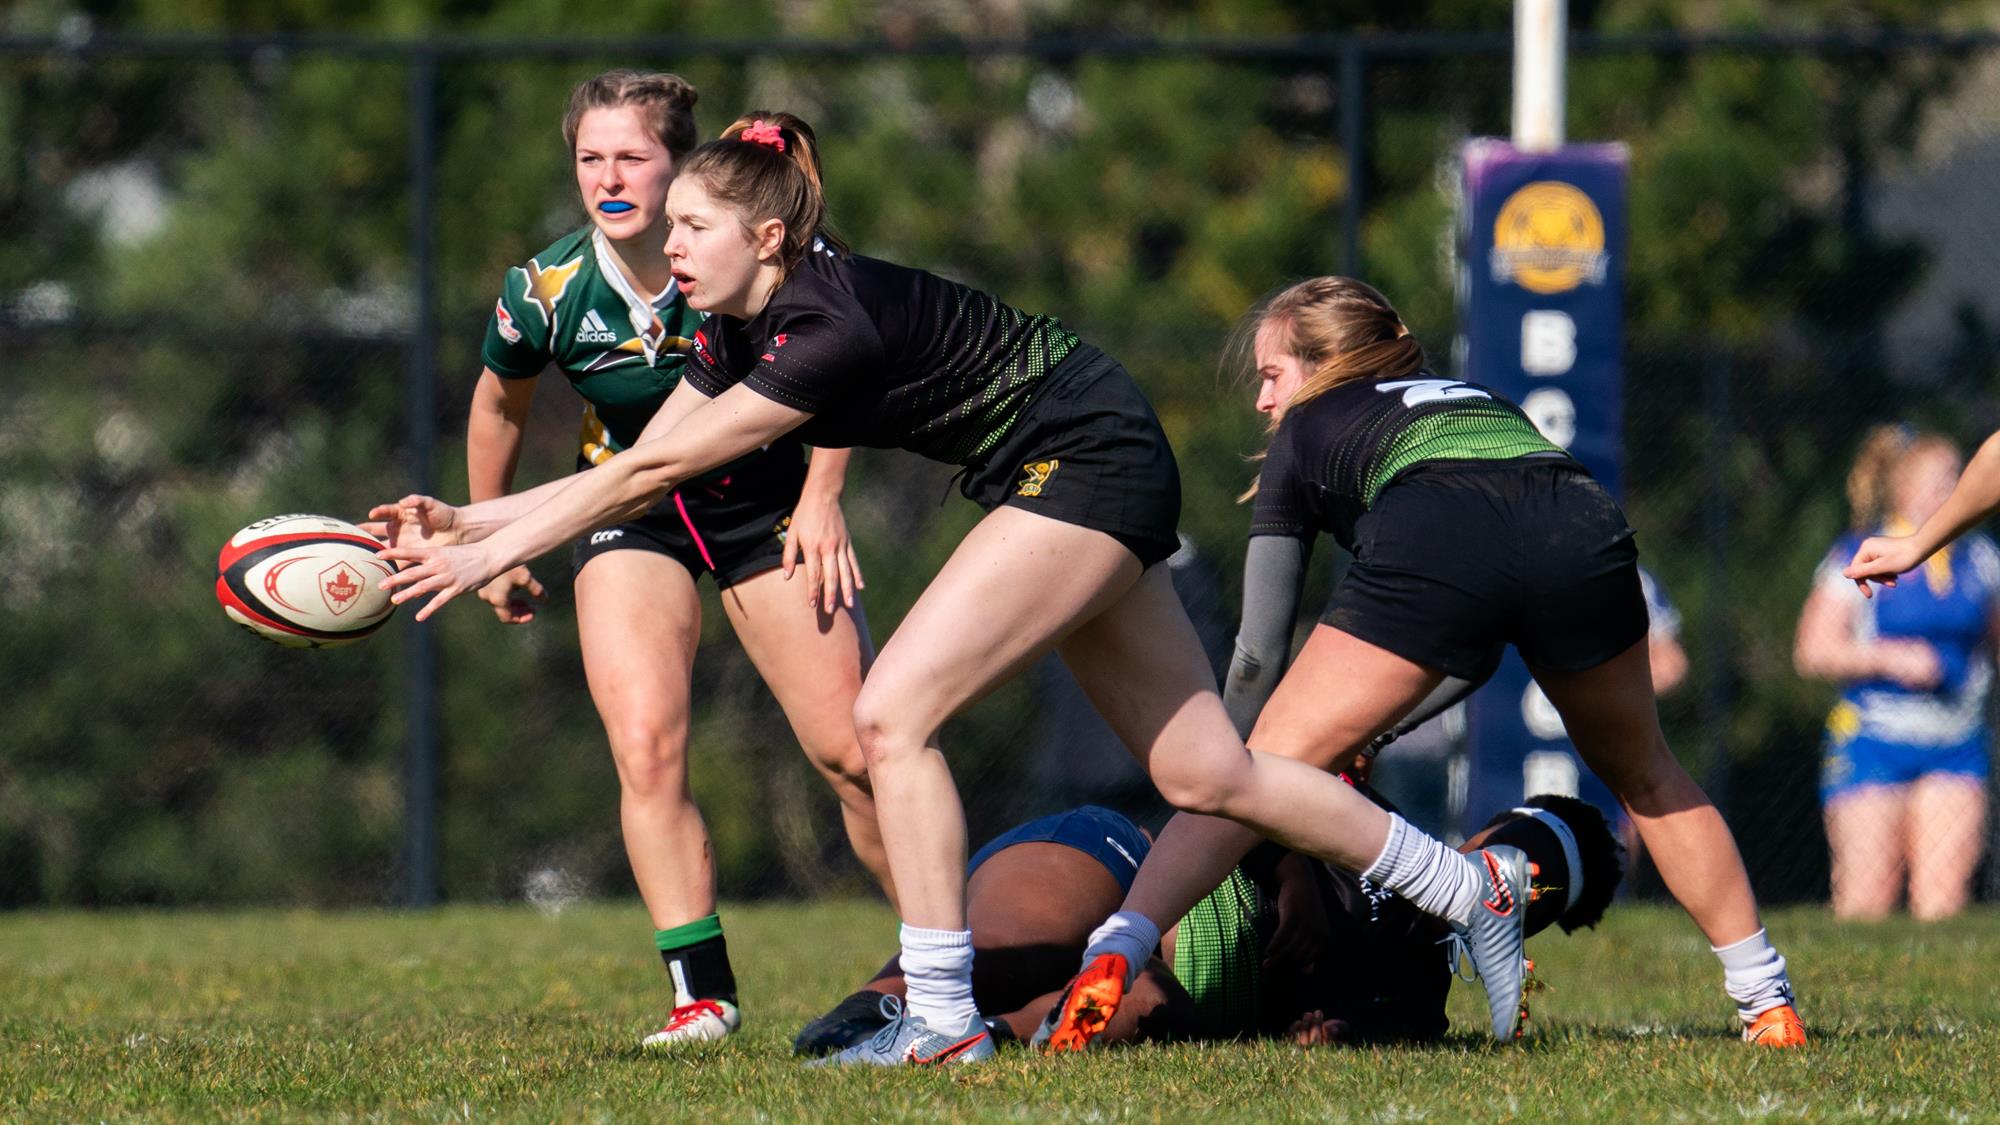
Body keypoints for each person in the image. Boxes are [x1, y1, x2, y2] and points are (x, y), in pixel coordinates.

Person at [367, 114, 1540, 1065]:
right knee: (1207, 776)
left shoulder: (819, 325)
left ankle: (941, 1016)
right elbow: (631, 465)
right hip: (1078, 455)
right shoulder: (737, 324)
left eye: (691, 223)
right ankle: (1465, 887)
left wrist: (478, 555)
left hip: (1083, 465)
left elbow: (671, 466)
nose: (667, 243)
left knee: (890, 716)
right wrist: (466, 519)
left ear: (766, 237)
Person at [1037, 277, 1804, 1054]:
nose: (1266, 402)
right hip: (1582, 521)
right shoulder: (1470, 396)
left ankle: (1117, 949)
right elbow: (1480, 635)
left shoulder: (1307, 430)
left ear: (1324, 363)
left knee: (1249, 763)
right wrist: (1376, 723)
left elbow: (1259, 654)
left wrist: (1223, 765)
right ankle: (1767, 1000)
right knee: (1649, 775)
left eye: (1271, 375)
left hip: (1442, 527)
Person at [465, 75, 888, 1047]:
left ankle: (955, 961)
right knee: (645, 744)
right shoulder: (546, 291)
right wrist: (491, 537)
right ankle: (701, 996)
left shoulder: (749, 253)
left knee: (855, 755)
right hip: (634, 510)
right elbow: (498, 405)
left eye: (632, 157)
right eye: (588, 158)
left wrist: (823, 497)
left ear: (681, 167)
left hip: (766, 511)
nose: (607, 179)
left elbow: (843, 364)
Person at [793, 790, 1621, 1055]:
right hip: (1121, 861)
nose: (1517, 887)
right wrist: (1290, 864)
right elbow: (1243, 773)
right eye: (1517, 861)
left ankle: (958, 1043)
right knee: (1019, 942)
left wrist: (1331, 1028)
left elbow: (1360, 1032)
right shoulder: (1375, 817)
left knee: (1135, 1012)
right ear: (1483, 836)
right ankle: (863, 1020)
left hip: (1171, 980)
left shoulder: (1417, 989)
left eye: (1538, 897)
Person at [1795, 425, 1999, 920]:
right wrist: (1891, 657)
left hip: (1955, 740)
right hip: (1874, 740)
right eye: (1941, 478)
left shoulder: (1982, 559)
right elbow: (1812, 651)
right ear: (1902, 487)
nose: (1954, 488)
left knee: (1943, 902)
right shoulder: (1861, 553)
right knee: (1867, 897)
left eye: (1958, 476)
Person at [1846, 429, 2000, 593]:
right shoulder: (1864, 557)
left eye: (1956, 476)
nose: (1953, 489)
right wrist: (1916, 546)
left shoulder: (1979, 554)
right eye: (1939, 483)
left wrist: (1916, 546)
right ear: (1904, 490)